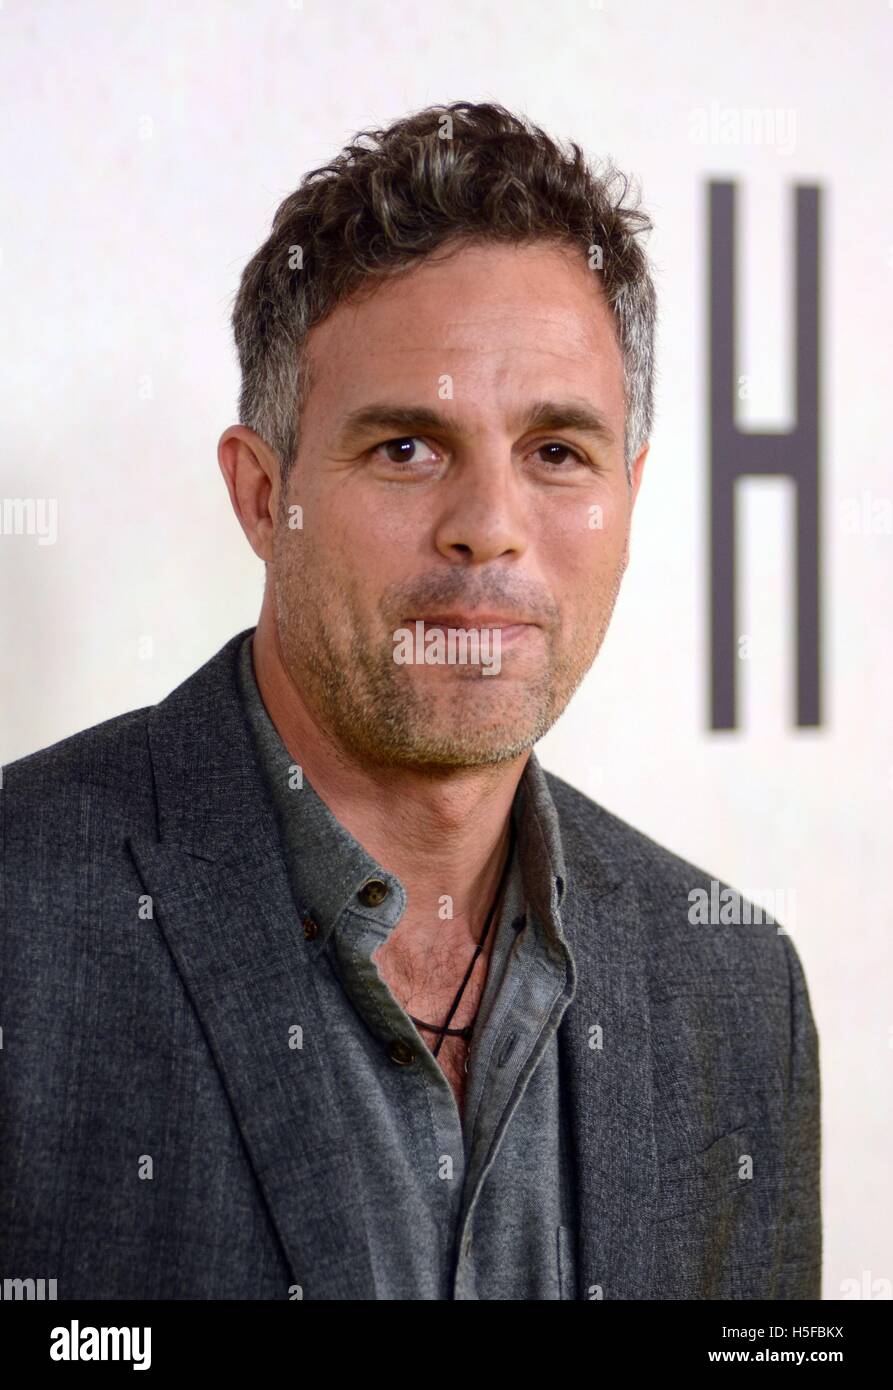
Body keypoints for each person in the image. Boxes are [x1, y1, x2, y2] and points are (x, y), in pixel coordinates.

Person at [0, 101, 820, 1300]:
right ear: (259, 493)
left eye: (555, 451)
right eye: (405, 448)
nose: (487, 526)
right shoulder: (24, 921)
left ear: (628, 498)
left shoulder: (737, 994)